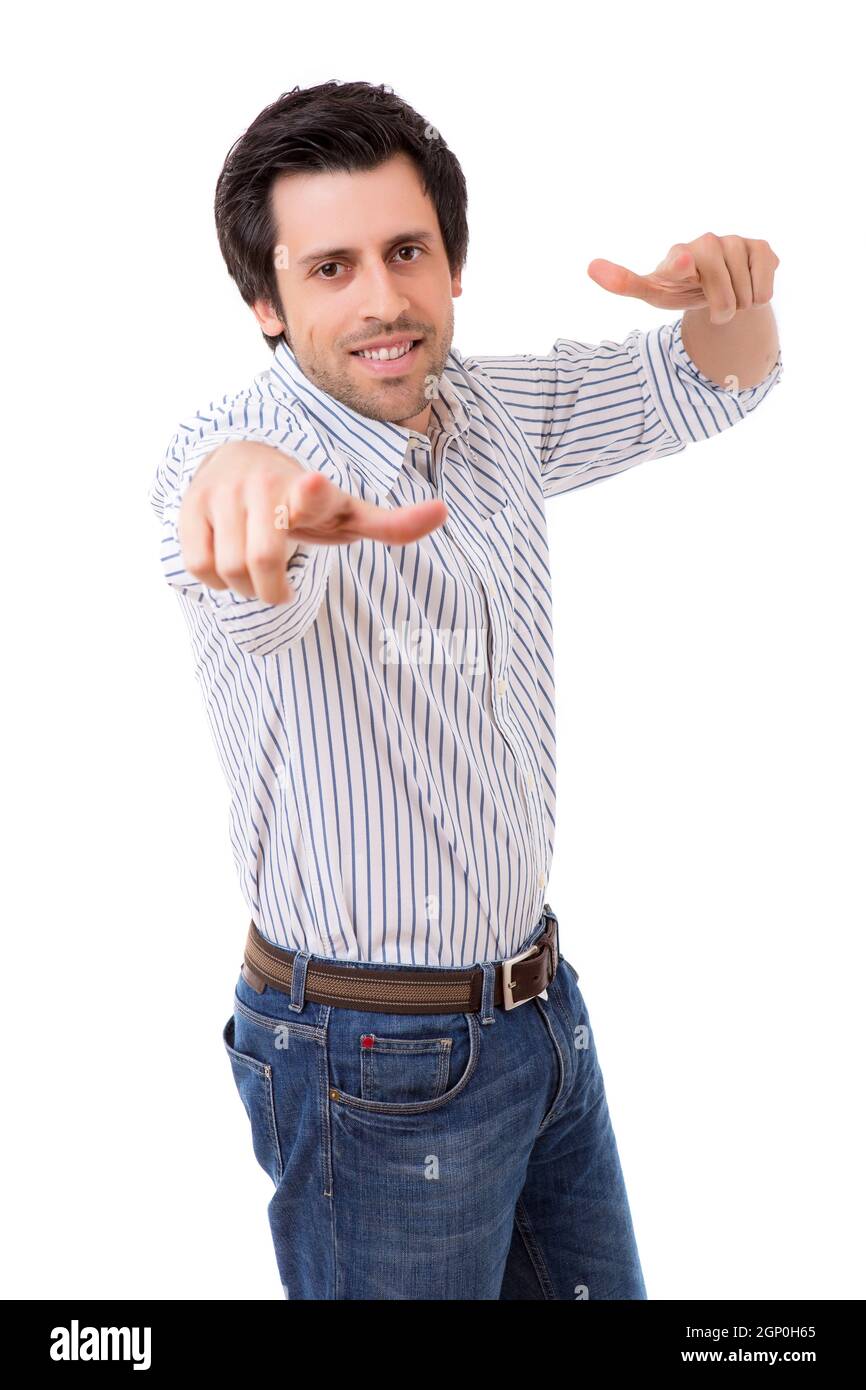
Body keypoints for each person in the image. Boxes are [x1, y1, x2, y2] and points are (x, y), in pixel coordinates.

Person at [149, 80, 783, 1300]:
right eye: (329, 268)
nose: (382, 299)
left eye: (405, 252)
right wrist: (246, 490)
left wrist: (731, 299)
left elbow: (709, 381)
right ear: (264, 303)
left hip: (538, 1015)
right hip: (371, 1061)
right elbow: (218, 504)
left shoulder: (489, 409)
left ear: (450, 266)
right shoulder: (245, 458)